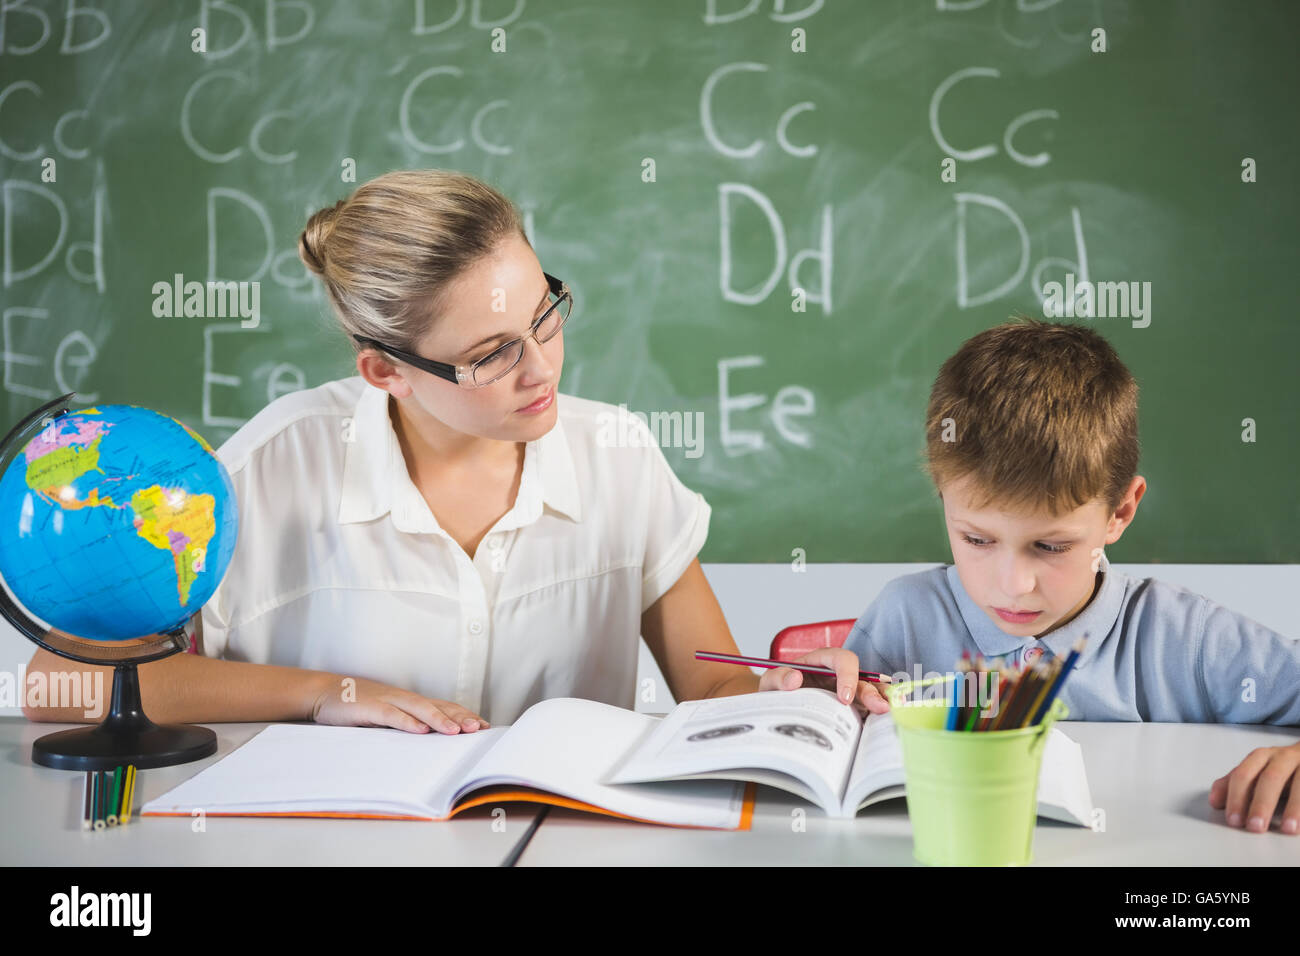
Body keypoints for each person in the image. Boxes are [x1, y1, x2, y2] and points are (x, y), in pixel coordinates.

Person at [24, 168, 888, 733]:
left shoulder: (618, 455)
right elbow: (58, 684)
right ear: (385, 370)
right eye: (491, 354)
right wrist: (328, 694)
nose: (541, 368)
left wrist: (786, 693)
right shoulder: (273, 467)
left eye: (545, 316)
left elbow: (712, 689)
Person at [844, 318, 1300, 835]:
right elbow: (834, 741)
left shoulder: (1182, 638)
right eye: (976, 540)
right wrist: (804, 693)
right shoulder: (904, 619)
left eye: (1051, 546)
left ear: (1120, 512)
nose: (1013, 585)